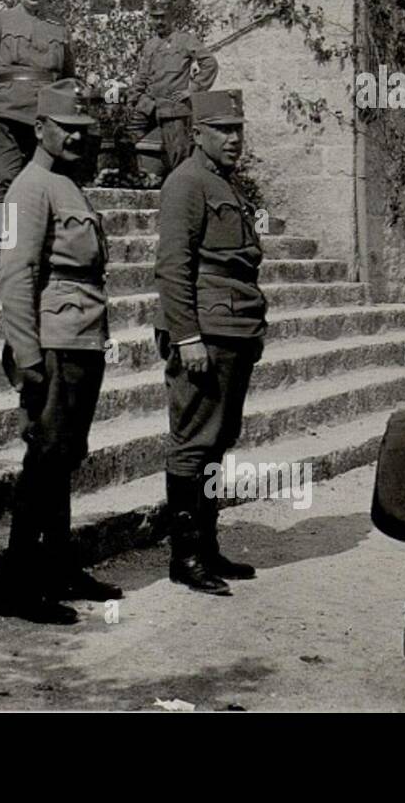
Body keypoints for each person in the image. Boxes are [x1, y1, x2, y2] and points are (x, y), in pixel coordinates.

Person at [0, 78, 123, 624]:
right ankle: (19, 586)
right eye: (65, 127)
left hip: (82, 337)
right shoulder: (29, 188)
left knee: (64, 457)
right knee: (44, 460)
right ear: (39, 128)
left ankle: (59, 567)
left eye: (81, 129)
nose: (75, 136)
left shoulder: (69, 184)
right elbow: (16, 275)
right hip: (51, 343)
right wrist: (27, 357)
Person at [154, 88, 267, 596]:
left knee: (218, 443)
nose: (234, 139)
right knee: (193, 443)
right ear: (197, 133)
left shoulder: (224, 183)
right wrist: (187, 336)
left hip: (236, 327)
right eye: (223, 129)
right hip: (207, 331)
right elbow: (173, 267)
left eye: (238, 129)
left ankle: (208, 545)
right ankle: (185, 556)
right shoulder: (186, 184)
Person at [0, 0, 75, 204]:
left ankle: (35, 239)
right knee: (6, 182)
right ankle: (2, 241)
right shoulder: (2, 21)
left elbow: (69, 77)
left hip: (48, 116)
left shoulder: (59, 28)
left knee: (46, 184)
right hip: (9, 112)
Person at [124, 0, 218, 174]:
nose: (159, 22)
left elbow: (210, 63)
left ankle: (177, 184)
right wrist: (132, 100)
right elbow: (142, 76)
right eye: (155, 17)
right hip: (149, 105)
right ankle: (142, 176)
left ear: (171, 17)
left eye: (163, 17)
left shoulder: (184, 40)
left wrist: (193, 89)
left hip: (173, 107)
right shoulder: (150, 44)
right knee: (126, 138)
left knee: (178, 154)